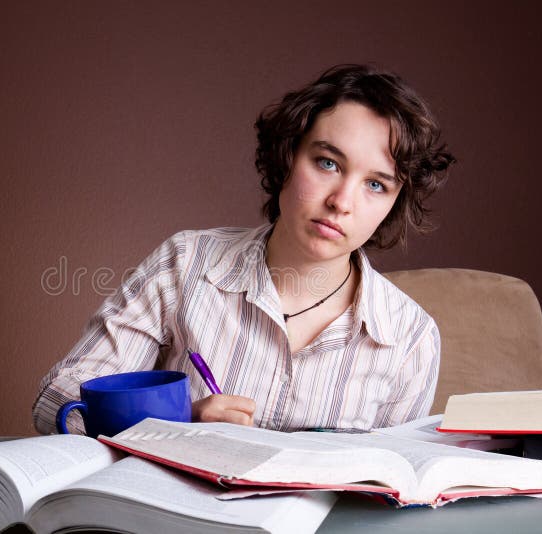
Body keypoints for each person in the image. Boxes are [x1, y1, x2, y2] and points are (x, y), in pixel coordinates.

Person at [32, 64, 456, 435]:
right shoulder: (185, 264)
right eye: (327, 162)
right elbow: (60, 397)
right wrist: (176, 424)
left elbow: (394, 487)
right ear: (289, 156)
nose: (342, 202)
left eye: (375, 184)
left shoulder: (411, 339)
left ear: (393, 204)